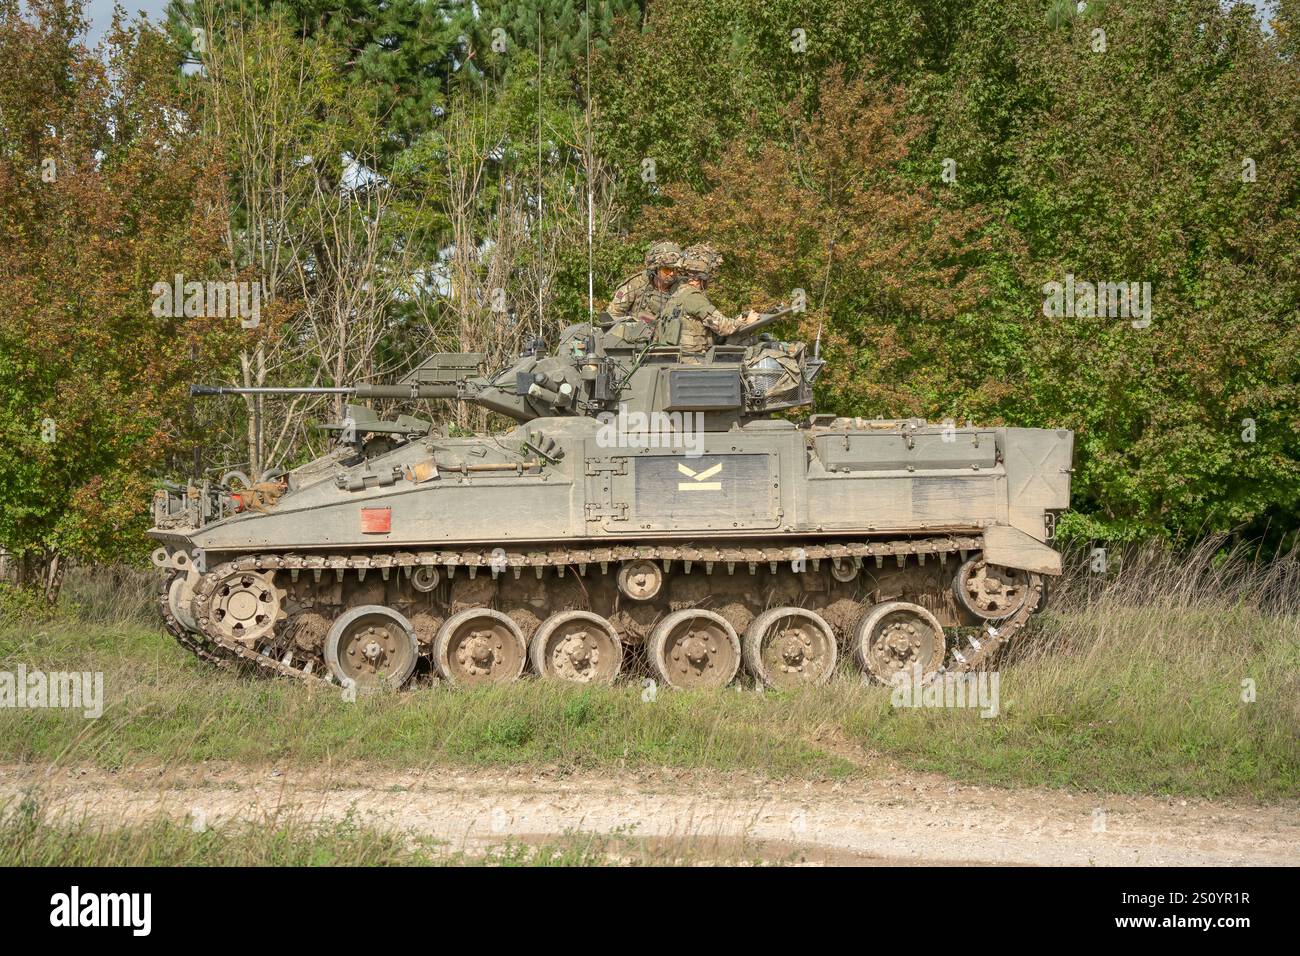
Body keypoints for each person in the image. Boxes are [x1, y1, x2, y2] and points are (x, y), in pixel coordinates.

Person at [659, 244, 762, 354]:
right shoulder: (694, 297)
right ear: (700, 279)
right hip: (693, 360)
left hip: (678, 358)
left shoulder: (676, 293)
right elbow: (723, 327)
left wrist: (737, 321)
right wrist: (748, 323)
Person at [607, 240, 682, 323]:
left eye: (675, 269)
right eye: (667, 269)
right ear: (655, 269)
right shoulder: (636, 284)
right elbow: (613, 315)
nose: (672, 273)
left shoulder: (682, 287)